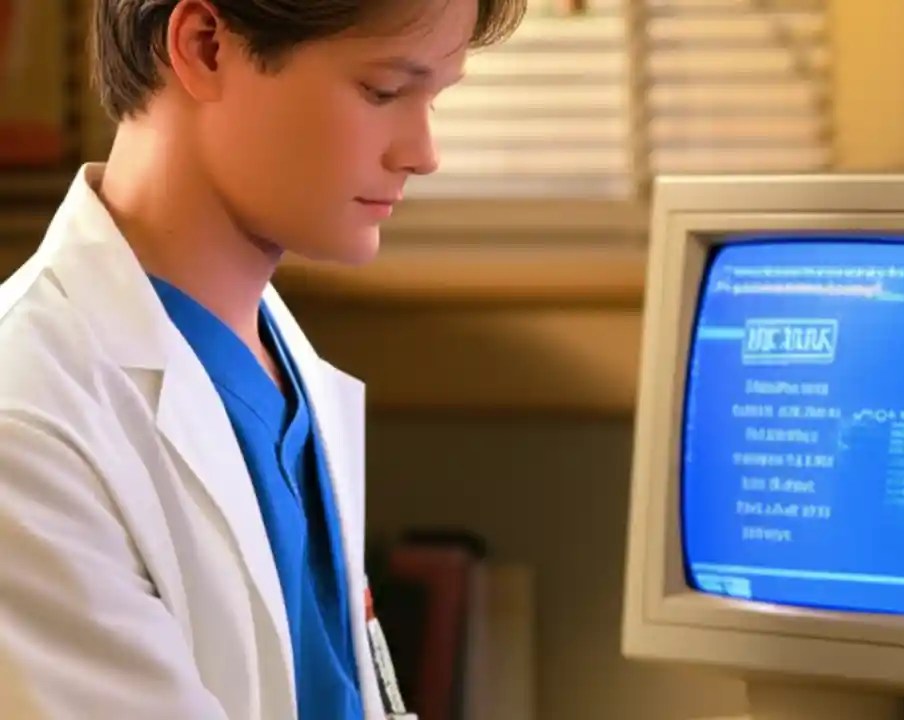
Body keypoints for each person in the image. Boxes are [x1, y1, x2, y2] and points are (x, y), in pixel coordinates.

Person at [0, 0, 523, 717]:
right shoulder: (25, 422)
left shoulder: (276, 358)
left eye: (433, 96)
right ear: (206, 46)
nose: (423, 152)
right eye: (383, 91)